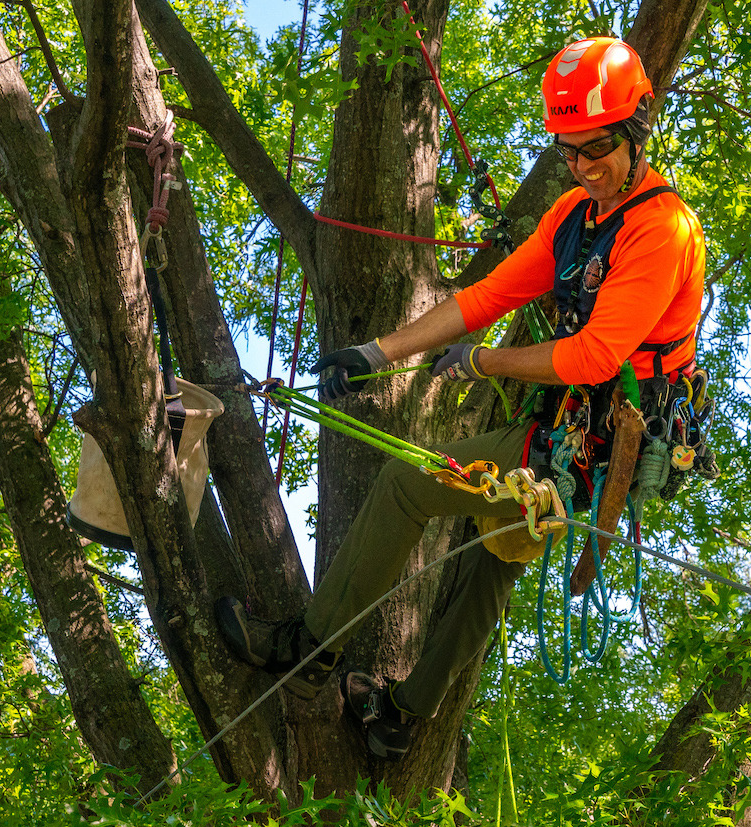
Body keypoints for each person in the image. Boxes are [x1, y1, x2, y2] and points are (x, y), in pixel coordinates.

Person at [217, 36, 706, 758]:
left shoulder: (662, 230)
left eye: (596, 147)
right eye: (568, 149)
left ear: (637, 127)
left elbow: (595, 355)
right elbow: (488, 293)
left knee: (406, 485)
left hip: (601, 449)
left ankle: (309, 648)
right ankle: (402, 719)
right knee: (496, 554)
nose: (581, 165)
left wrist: (482, 361)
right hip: (577, 436)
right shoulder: (576, 214)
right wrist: (374, 352)